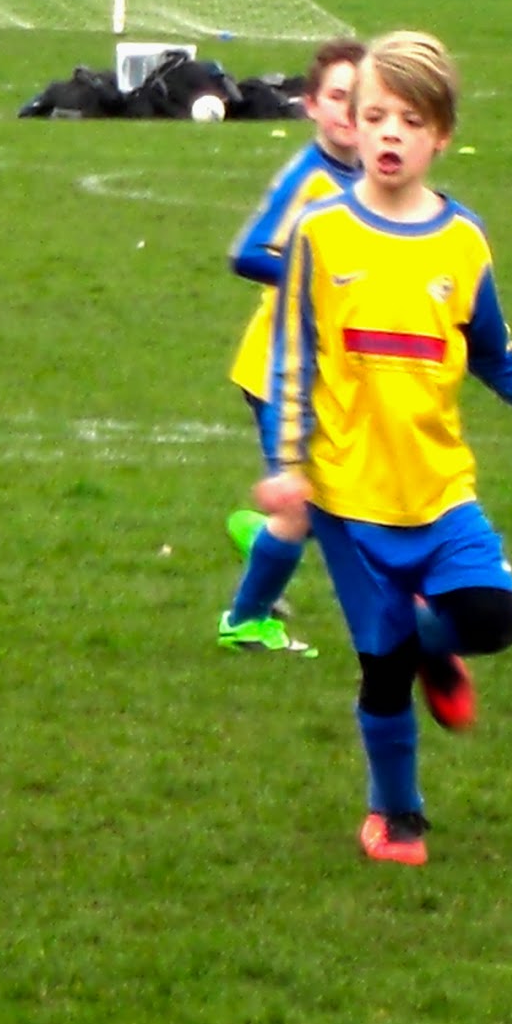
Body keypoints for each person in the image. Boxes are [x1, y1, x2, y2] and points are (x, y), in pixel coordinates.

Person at [257, 30, 512, 866]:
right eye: (374, 115)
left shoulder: (464, 243)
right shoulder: (321, 233)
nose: (386, 134)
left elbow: (494, 354)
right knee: (381, 671)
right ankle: (397, 814)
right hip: (348, 496)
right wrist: (289, 466)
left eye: (408, 121)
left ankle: (432, 643)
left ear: (440, 134)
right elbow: (292, 356)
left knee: (493, 617)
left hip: (440, 488)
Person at [217, 37, 365, 658]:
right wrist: (317, 273)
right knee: (304, 502)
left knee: (338, 496)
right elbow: (246, 252)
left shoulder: (371, 177)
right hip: (278, 366)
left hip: (331, 369)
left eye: (363, 99)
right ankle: (245, 620)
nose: (351, 112)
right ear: (311, 106)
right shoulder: (308, 180)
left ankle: (262, 540)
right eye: (338, 97)